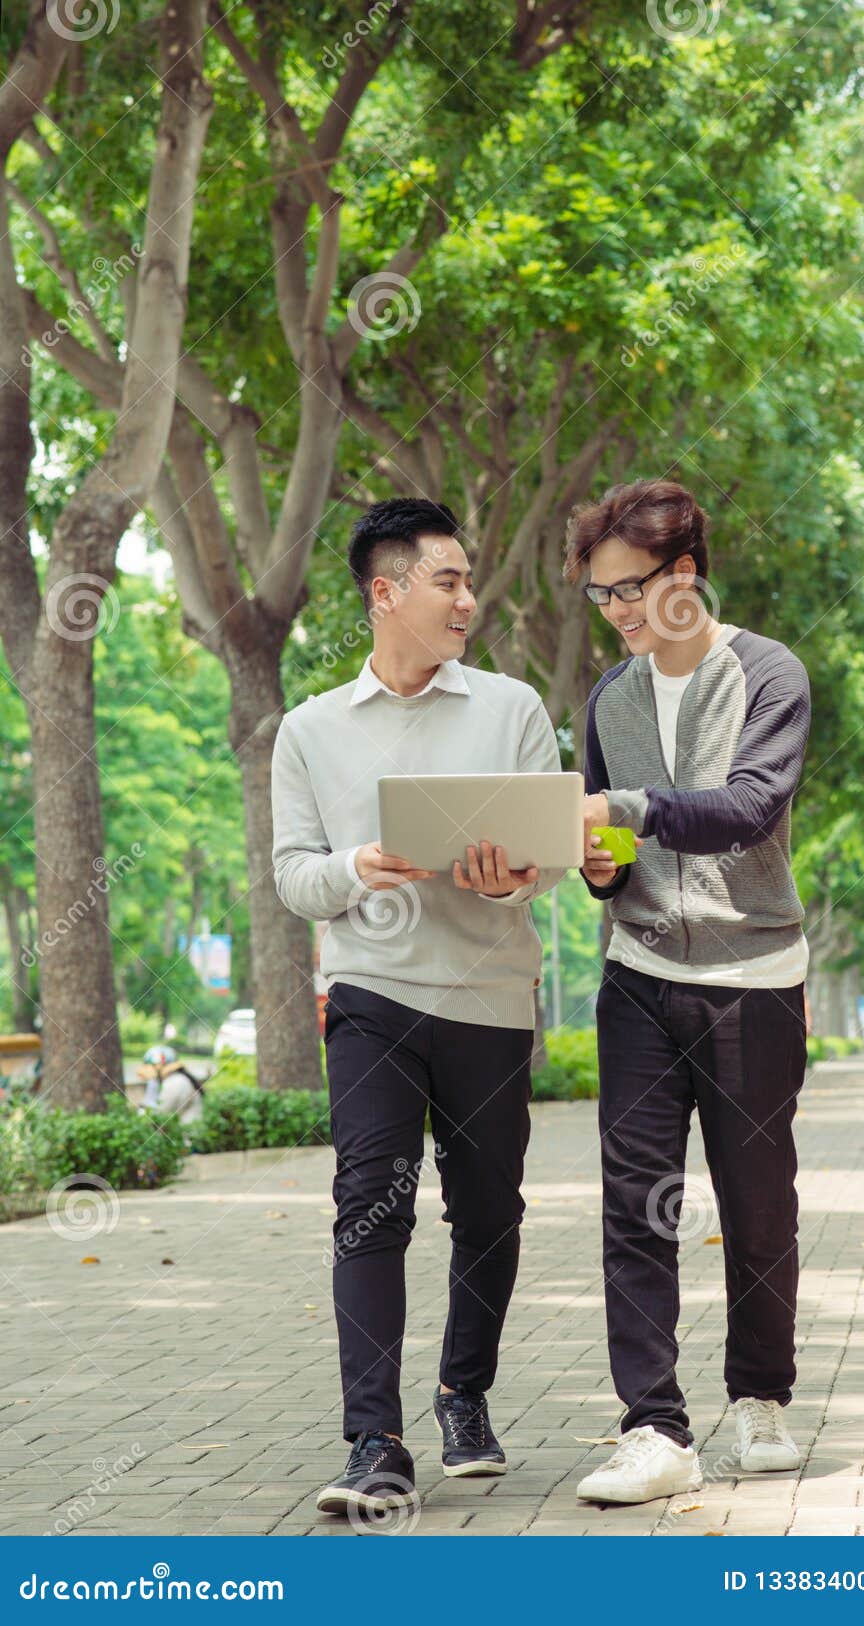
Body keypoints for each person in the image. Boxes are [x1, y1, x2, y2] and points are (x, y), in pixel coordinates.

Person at [270, 497, 566, 1518]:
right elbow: (294, 878)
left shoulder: (512, 708)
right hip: (372, 997)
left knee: (488, 1211)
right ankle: (375, 1441)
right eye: (448, 580)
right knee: (373, 1206)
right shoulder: (309, 731)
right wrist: (362, 864)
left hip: (488, 995)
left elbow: (548, 860)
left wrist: (503, 879)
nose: (468, 600)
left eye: (470, 580)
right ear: (385, 592)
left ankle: (463, 1393)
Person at [566, 478, 811, 1505]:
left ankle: (761, 1395)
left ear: (685, 574)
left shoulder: (767, 672)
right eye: (601, 596)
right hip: (640, 979)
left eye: (630, 590)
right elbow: (615, 847)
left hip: (752, 976)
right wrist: (598, 866)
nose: (617, 613)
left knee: (755, 1203)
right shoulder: (609, 701)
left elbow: (750, 808)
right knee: (634, 1203)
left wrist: (623, 808)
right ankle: (654, 1428)